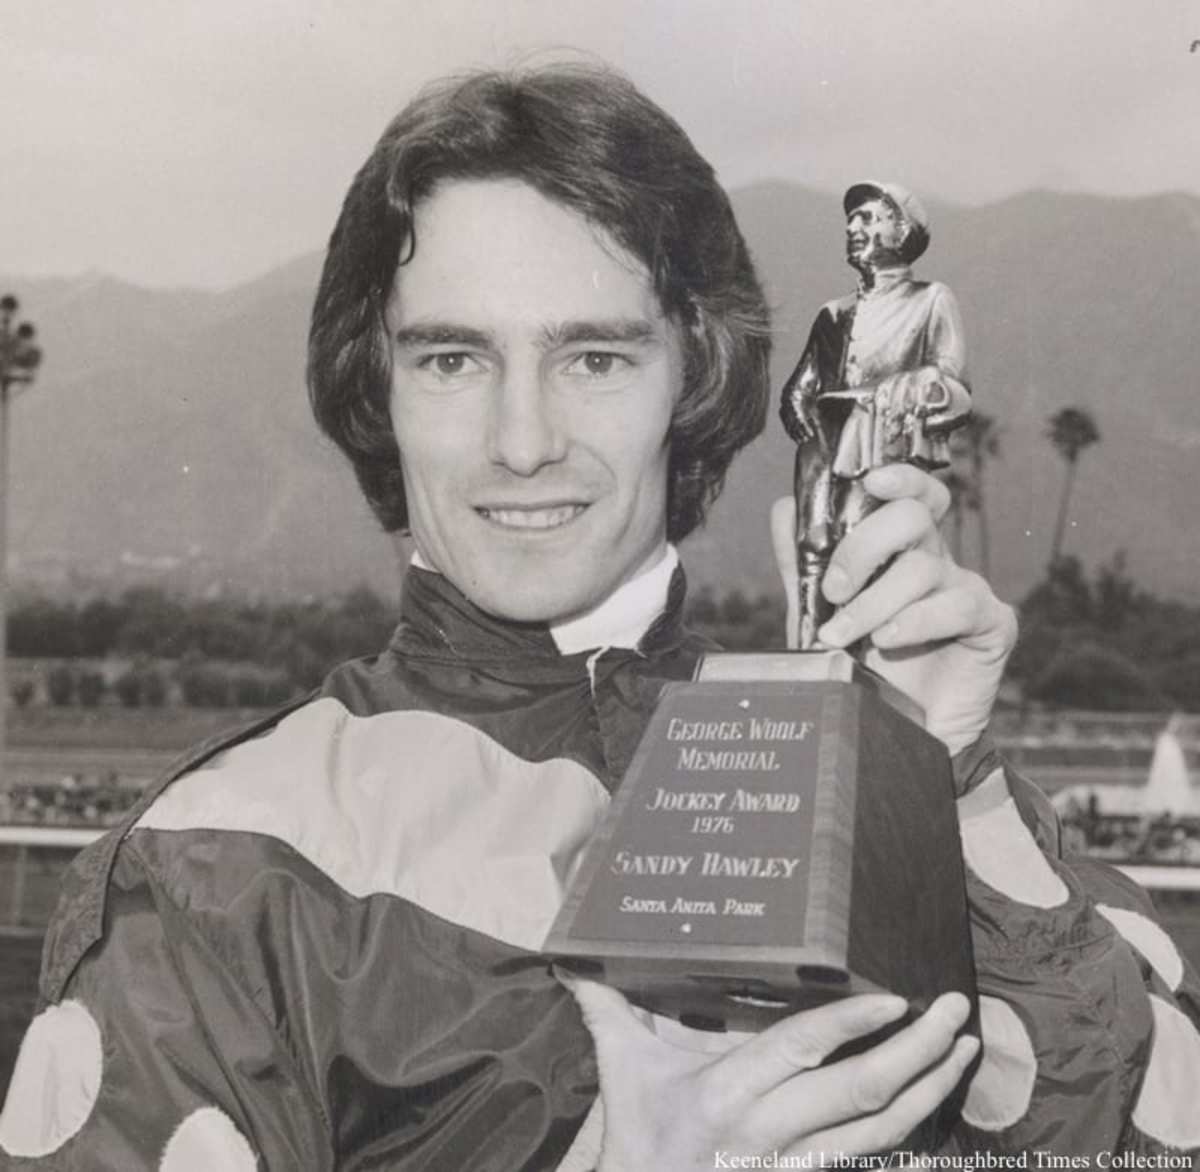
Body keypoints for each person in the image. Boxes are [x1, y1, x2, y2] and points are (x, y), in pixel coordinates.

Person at [1, 65, 1197, 1171]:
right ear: (381, 388)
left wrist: (940, 782)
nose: (524, 443)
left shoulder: (852, 759)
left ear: (698, 371)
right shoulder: (218, 864)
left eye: (594, 359)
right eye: (454, 359)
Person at [780, 182, 972, 648]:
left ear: (902, 230)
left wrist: (910, 390)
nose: (853, 227)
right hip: (823, 441)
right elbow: (805, 379)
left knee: (859, 543)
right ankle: (807, 649)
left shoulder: (931, 300)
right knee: (812, 544)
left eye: (868, 217)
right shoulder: (832, 313)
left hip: (879, 438)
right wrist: (795, 401)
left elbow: (956, 385)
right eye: (852, 219)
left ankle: (853, 655)